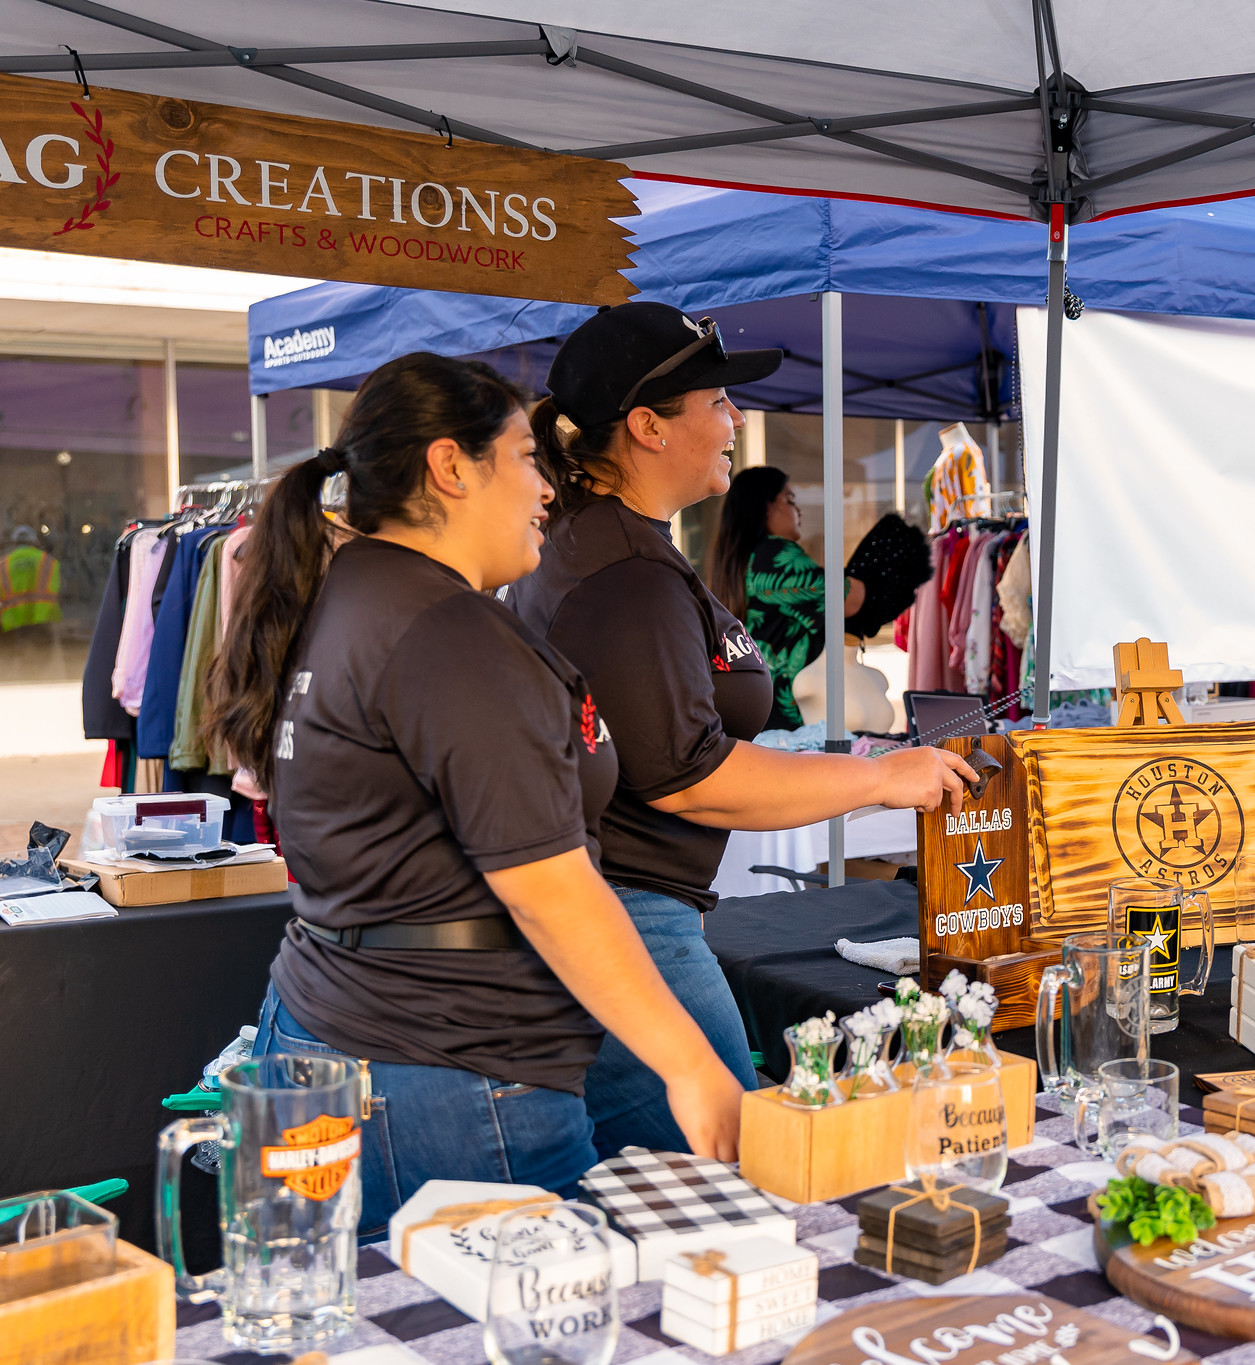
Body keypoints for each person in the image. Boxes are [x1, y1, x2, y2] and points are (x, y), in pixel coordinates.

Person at [203, 354, 741, 1233]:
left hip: (347, 1031)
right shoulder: (445, 630)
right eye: (527, 458)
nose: (546, 487)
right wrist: (690, 1064)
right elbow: (549, 889)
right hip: (448, 1074)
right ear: (451, 468)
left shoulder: (347, 595)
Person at [509, 302, 973, 1156]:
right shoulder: (622, 575)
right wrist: (881, 777)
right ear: (647, 426)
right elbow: (690, 778)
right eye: (717, 401)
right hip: (634, 917)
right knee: (731, 1173)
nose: (738, 419)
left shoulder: (621, 548)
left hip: (630, 911)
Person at [706, 465, 866, 730]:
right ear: (766, 507)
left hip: (752, 702)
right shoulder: (775, 554)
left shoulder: (738, 559)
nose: (798, 510)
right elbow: (851, 598)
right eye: (790, 500)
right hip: (788, 710)